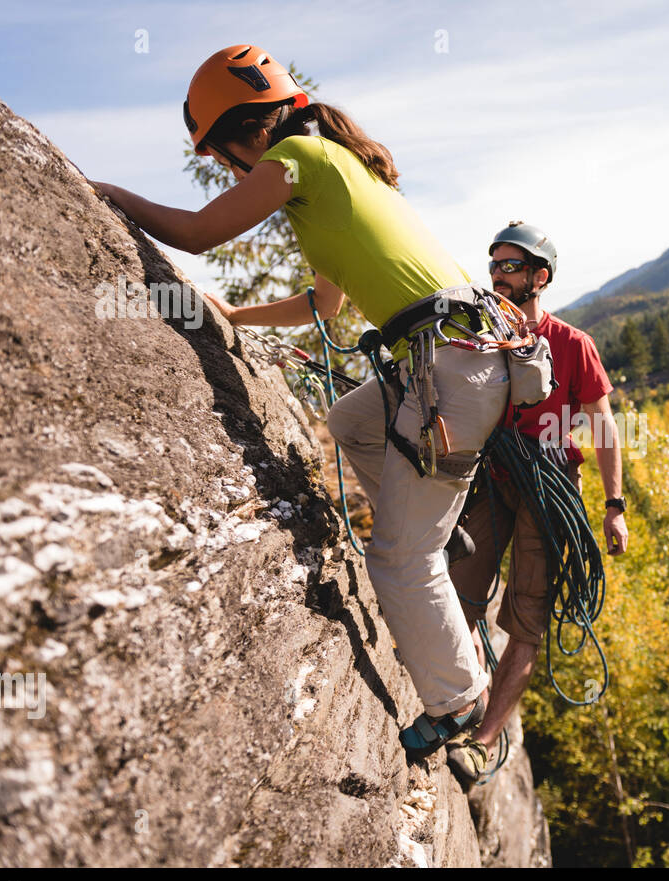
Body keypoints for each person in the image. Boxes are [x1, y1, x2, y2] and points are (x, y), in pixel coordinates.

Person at [90, 44, 507, 759]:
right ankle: (439, 519)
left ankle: (459, 700)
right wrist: (235, 316)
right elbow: (324, 301)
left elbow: (194, 230)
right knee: (352, 419)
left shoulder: (296, 161)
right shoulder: (332, 167)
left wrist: (108, 193)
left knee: (398, 560)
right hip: (457, 362)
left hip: (453, 370)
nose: (227, 167)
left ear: (239, 131)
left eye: (220, 151)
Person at [445, 222, 629, 786]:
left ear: (539, 277)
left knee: (526, 622)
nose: (498, 275)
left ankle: (480, 743)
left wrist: (615, 506)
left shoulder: (574, 345)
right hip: (492, 478)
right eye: (494, 264)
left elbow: (604, 431)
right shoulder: (481, 335)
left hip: (550, 492)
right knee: (454, 592)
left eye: (511, 267)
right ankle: (463, 694)